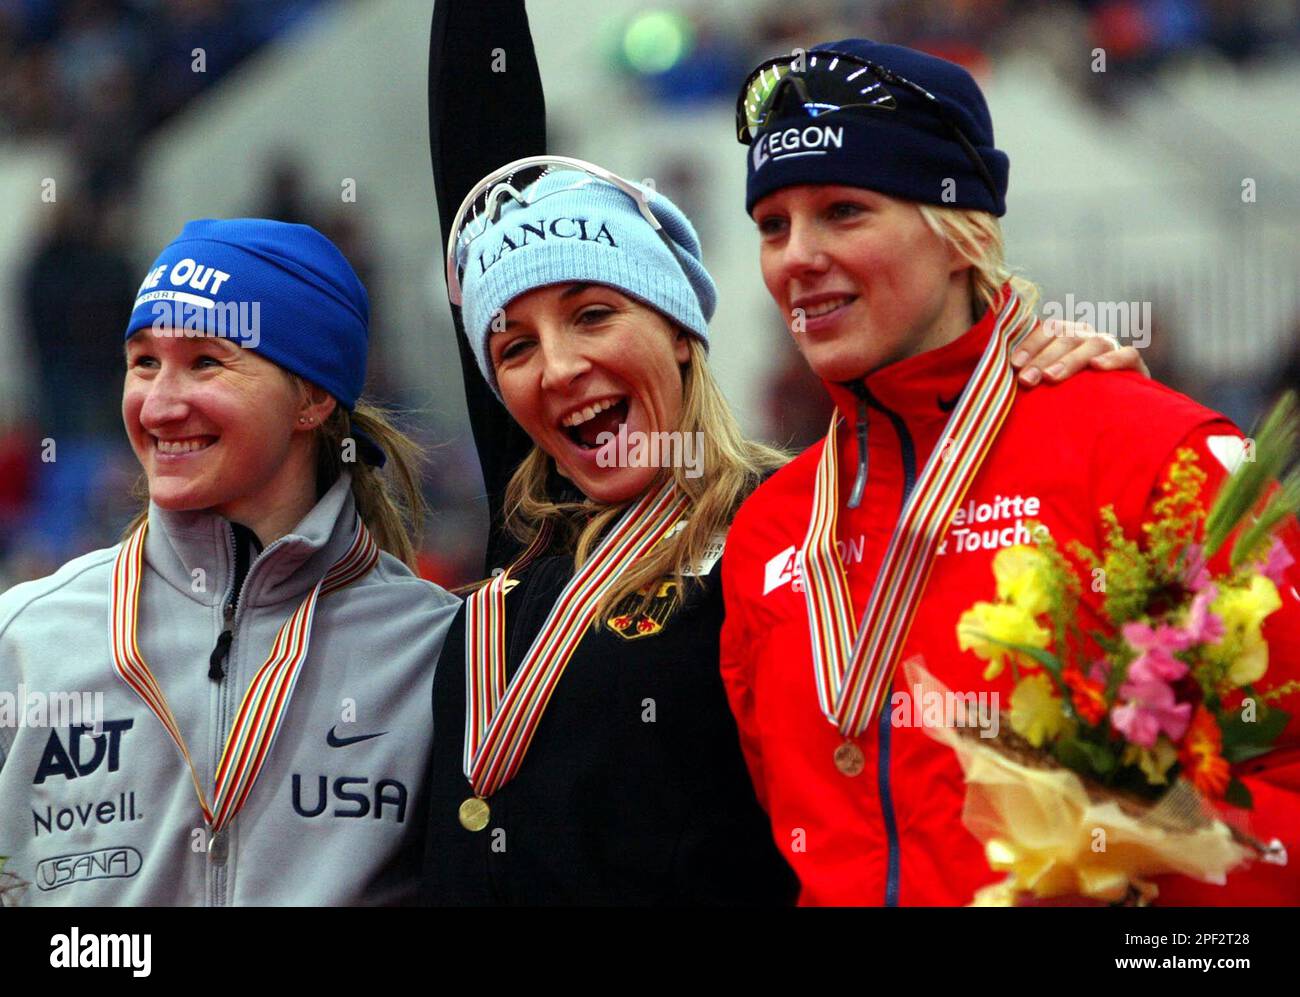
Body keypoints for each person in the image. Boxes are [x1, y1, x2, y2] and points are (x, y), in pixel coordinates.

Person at [422, 0, 1141, 905]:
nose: (557, 366)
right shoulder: (518, 559)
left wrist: (1038, 381)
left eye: (595, 312)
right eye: (512, 347)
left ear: (683, 332)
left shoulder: (781, 534)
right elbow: (475, 141)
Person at [717, 38, 1300, 905]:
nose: (795, 256)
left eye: (843, 210)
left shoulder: (1149, 453)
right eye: (773, 225)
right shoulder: (772, 525)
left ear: (958, 235)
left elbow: (1281, 779)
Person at [0, 218, 460, 906]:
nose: (158, 403)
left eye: (206, 362)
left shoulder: (438, 648)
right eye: (144, 361)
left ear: (312, 396)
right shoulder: (28, 640)